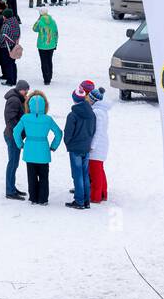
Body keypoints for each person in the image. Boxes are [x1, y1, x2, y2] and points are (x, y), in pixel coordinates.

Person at [13, 90, 62, 204]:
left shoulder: (25, 118)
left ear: (29, 105)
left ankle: (33, 198)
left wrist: (20, 144)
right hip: (43, 151)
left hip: (29, 150)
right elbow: (59, 133)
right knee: (44, 176)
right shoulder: (48, 119)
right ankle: (43, 199)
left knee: (31, 176)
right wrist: (53, 146)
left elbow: (16, 132)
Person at [63, 80, 96, 209]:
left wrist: (68, 143)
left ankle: (79, 201)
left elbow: (68, 133)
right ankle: (86, 200)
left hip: (75, 148)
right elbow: (92, 130)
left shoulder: (73, 115)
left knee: (77, 175)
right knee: (85, 174)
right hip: (86, 147)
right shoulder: (91, 114)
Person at [2, 80, 32, 200]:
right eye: (26, 90)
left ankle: (12, 187)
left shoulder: (18, 98)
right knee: (13, 163)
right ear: (21, 89)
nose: (27, 92)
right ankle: (10, 191)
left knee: (14, 163)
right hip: (13, 136)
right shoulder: (14, 100)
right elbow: (10, 120)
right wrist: (18, 132)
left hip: (14, 136)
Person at [88, 87, 110, 204]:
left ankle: (96, 197)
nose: (88, 99)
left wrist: (92, 145)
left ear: (94, 100)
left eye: (90, 98)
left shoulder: (97, 112)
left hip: (97, 147)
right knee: (100, 171)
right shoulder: (101, 111)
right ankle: (103, 193)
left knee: (95, 172)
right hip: (101, 145)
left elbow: (97, 131)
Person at [32, 8, 58, 85]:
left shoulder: (40, 22)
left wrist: (38, 20)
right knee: (49, 60)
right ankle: (49, 76)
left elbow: (34, 29)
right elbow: (56, 33)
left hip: (42, 45)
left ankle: (46, 79)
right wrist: (55, 43)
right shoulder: (53, 21)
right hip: (51, 44)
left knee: (44, 62)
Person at [0, 8, 21, 86]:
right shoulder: (15, 22)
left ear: (6, 16)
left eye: (4, 16)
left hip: (6, 47)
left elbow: (2, 37)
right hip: (14, 46)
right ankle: (14, 79)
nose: (3, 17)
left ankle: (10, 81)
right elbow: (18, 34)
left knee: (8, 64)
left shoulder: (6, 25)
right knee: (12, 63)